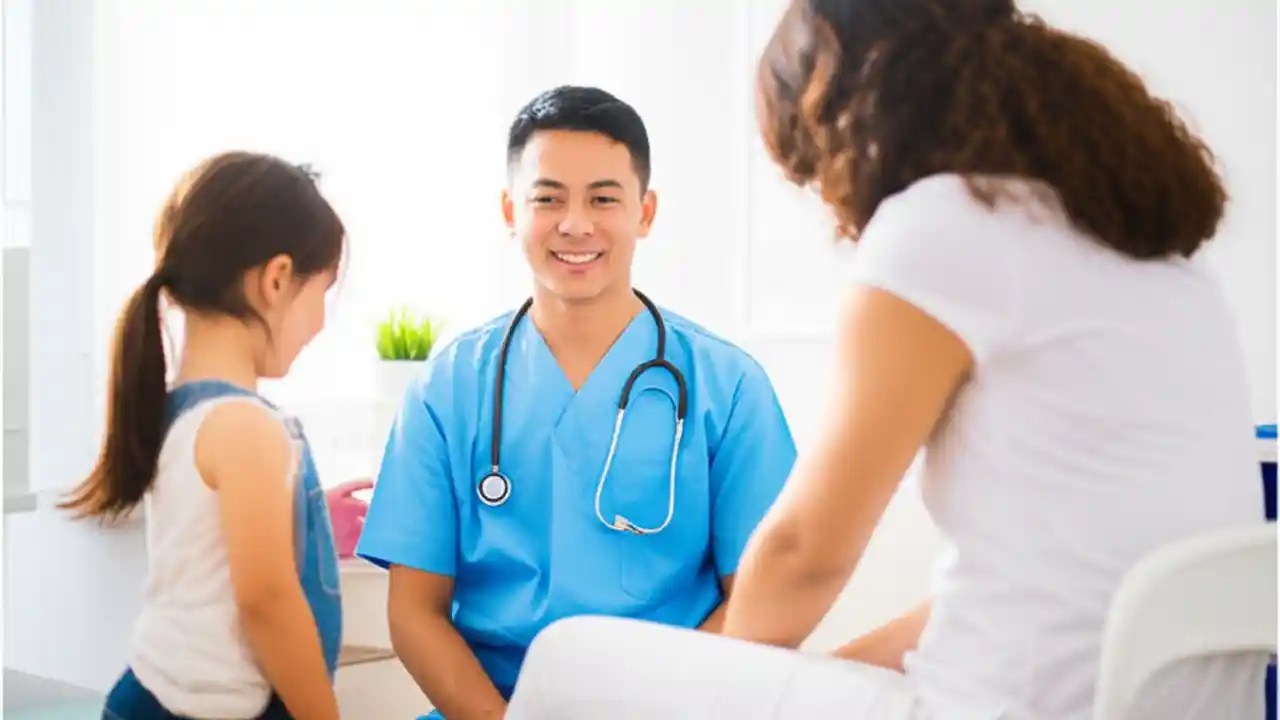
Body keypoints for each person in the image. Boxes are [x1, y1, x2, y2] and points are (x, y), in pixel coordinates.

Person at [504, 1, 1270, 719]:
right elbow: (1027, 598)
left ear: (842, 95)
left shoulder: (947, 223)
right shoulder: (1147, 255)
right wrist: (824, 673)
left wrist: (714, 694)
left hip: (1006, 706)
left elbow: (804, 554)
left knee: (569, 659)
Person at [354, 85, 798, 720]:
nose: (575, 224)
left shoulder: (727, 387)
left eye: (603, 198)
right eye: (548, 198)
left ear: (645, 213)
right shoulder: (446, 388)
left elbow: (760, 601)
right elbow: (415, 611)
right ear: (511, 210)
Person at [62, 151, 348, 720]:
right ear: (276, 279)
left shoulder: (180, 410)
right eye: (325, 292)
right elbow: (266, 601)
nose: (321, 321)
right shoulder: (244, 427)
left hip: (152, 696)